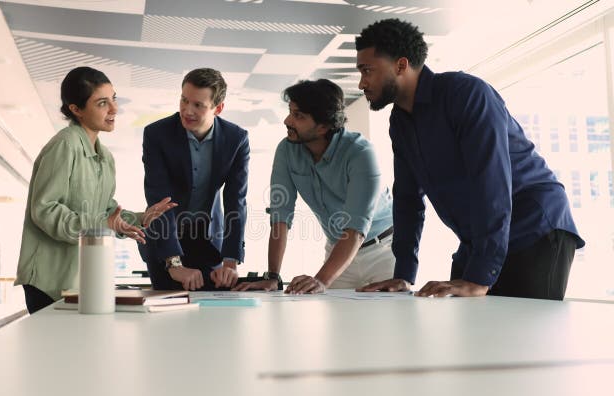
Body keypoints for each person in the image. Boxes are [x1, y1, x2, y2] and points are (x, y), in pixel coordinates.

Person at [354, 19, 584, 300]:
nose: (361, 82)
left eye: (367, 71)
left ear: (401, 65)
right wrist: (403, 273)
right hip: (481, 237)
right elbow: (407, 198)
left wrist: (479, 277)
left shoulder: (466, 94)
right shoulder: (400, 122)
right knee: (462, 322)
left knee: (523, 338)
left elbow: (491, 183)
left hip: (534, 229)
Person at [15, 67, 177, 313]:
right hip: (49, 282)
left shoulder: (105, 157)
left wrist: (142, 218)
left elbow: (107, 212)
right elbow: (44, 211)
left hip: (79, 281)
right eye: (102, 103)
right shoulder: (65, 145)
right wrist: (103, 225)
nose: (114, 109)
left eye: (114, 99)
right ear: (76, 109)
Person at [233, 79, 395, 294]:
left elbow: (355, 228)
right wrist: (273, 276)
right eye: (290, 111)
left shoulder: (360, 153)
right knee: (339, 326)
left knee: (388, 324)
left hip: (384, 251)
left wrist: (321, 279)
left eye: (298, 116)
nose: (287, 120)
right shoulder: (287, 150)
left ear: (323, 126)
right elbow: (280, 217)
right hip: (337, 249)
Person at [139, 68, 249, 291]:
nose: (187, 110)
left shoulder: (236, 139)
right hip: (165, 239)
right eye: (184, 100)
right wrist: (174, 263)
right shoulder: (156, 135)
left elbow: (236, 201)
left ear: (218, 108)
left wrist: (230, 261)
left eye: (198, 105)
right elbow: (159, 200)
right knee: (165, 309)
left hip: (209, 240)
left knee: (212, 314)